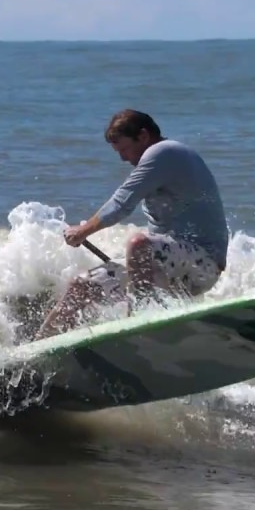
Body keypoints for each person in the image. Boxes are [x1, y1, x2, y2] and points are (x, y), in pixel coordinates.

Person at [33, 109, 229, 339]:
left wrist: (83, 231)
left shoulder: (164, 153)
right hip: (168, 266)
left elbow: (122, 202)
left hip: (203, 264)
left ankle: (137, 328)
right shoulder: (159, 160)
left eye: (125, 149)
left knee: (139, 244)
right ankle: (36, 353)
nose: (123, 158)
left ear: (143, 136)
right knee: (81, 286)